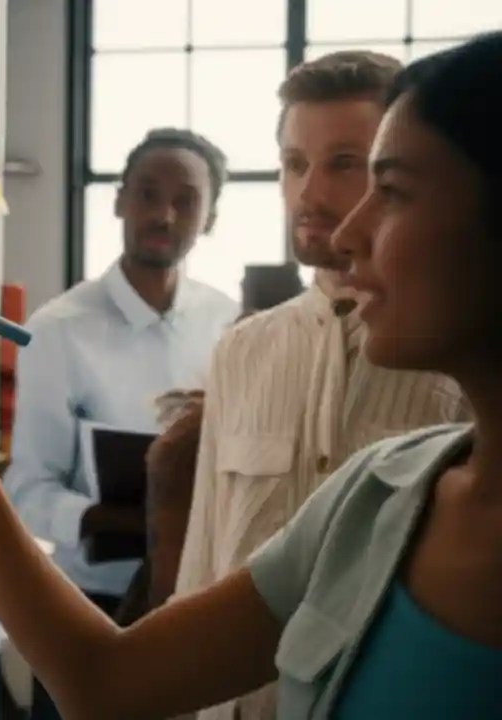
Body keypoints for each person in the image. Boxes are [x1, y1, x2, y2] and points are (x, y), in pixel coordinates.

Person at [0, 33, 502, 719]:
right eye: (294, 164)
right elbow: (108, 679)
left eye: (385, 186)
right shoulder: (376, 498)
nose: (344, 226)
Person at [170, 49, 473, 719]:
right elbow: (200, 568)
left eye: (344, 163)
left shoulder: (453, 355)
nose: (309, 193)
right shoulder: (240, 352)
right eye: (294, 164)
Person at [4, 127, 239, 616]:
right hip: (92, 604)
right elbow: (26, 490)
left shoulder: (231, 325)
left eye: (186, 202)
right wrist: (105, 519)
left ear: (211, 220)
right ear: (119, 203)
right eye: (147, 195)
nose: (162, 215)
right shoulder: (57, 330)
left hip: (204, 596)